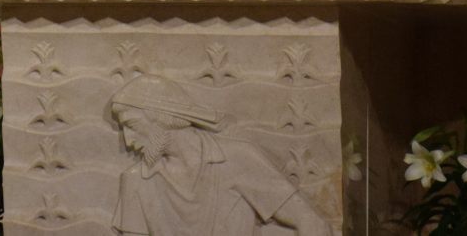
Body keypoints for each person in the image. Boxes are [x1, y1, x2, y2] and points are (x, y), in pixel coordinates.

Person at [108, 76, 334, 235]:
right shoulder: (136, 181)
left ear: (162, 117)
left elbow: (312, 224)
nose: (128, 141)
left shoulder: (237, 159)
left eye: (132, 124)